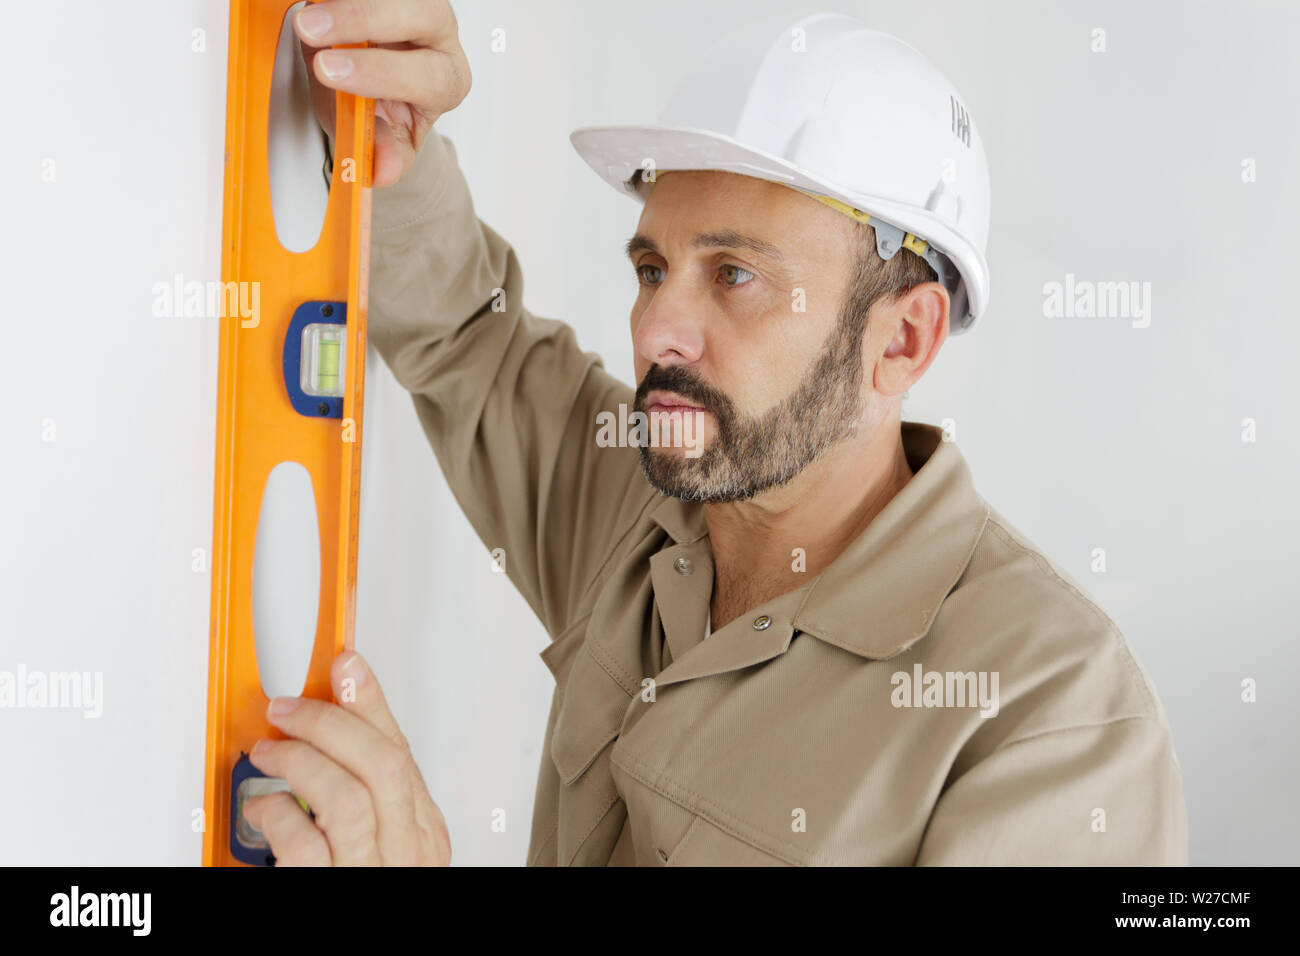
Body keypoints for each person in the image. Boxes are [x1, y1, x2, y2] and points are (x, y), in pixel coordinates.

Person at [243, 0, 1188, 866]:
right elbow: (468, 338)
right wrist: (387, 134)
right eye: (654, 268)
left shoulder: (1050, 719)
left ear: (902, 338)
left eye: (734, 274)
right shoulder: (645, 512)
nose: (655, 329)